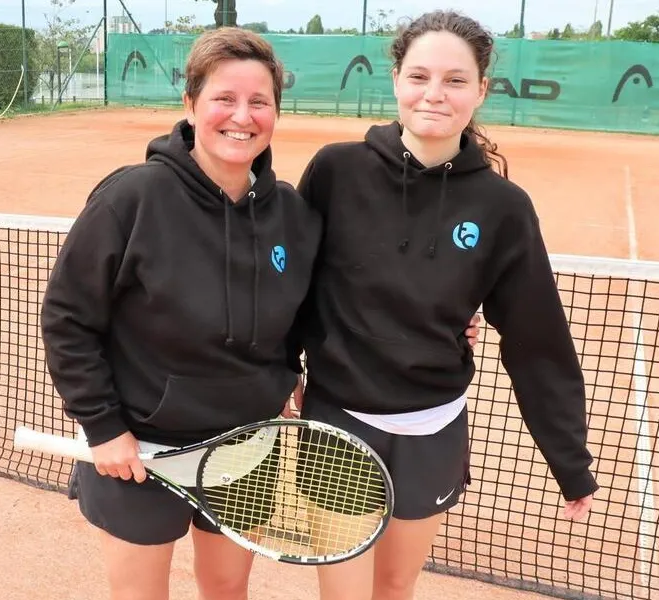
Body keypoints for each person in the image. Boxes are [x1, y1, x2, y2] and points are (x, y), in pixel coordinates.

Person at [290, 10, 599, 600]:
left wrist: (569, 460)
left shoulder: (504, 208)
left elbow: (537, 340)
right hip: (338, 425)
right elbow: (289, 287)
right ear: (397, 80)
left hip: (433, 432)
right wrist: (282, 372)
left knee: (396, 587)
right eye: (419, 76)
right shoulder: (336, 170)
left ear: (481, 90)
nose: (434, 94)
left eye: (455, 80)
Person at [40, 28, 322, 600]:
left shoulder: (291, 212)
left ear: (275, 112)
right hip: (139, 453)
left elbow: (306, 306)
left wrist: (287, 368)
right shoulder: (132, 198)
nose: (241, 116)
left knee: (227, 592)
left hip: (245, 450)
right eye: (224, 98)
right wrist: (103, 426)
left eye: (259, 102)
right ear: (190, 104)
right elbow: (68, 317)